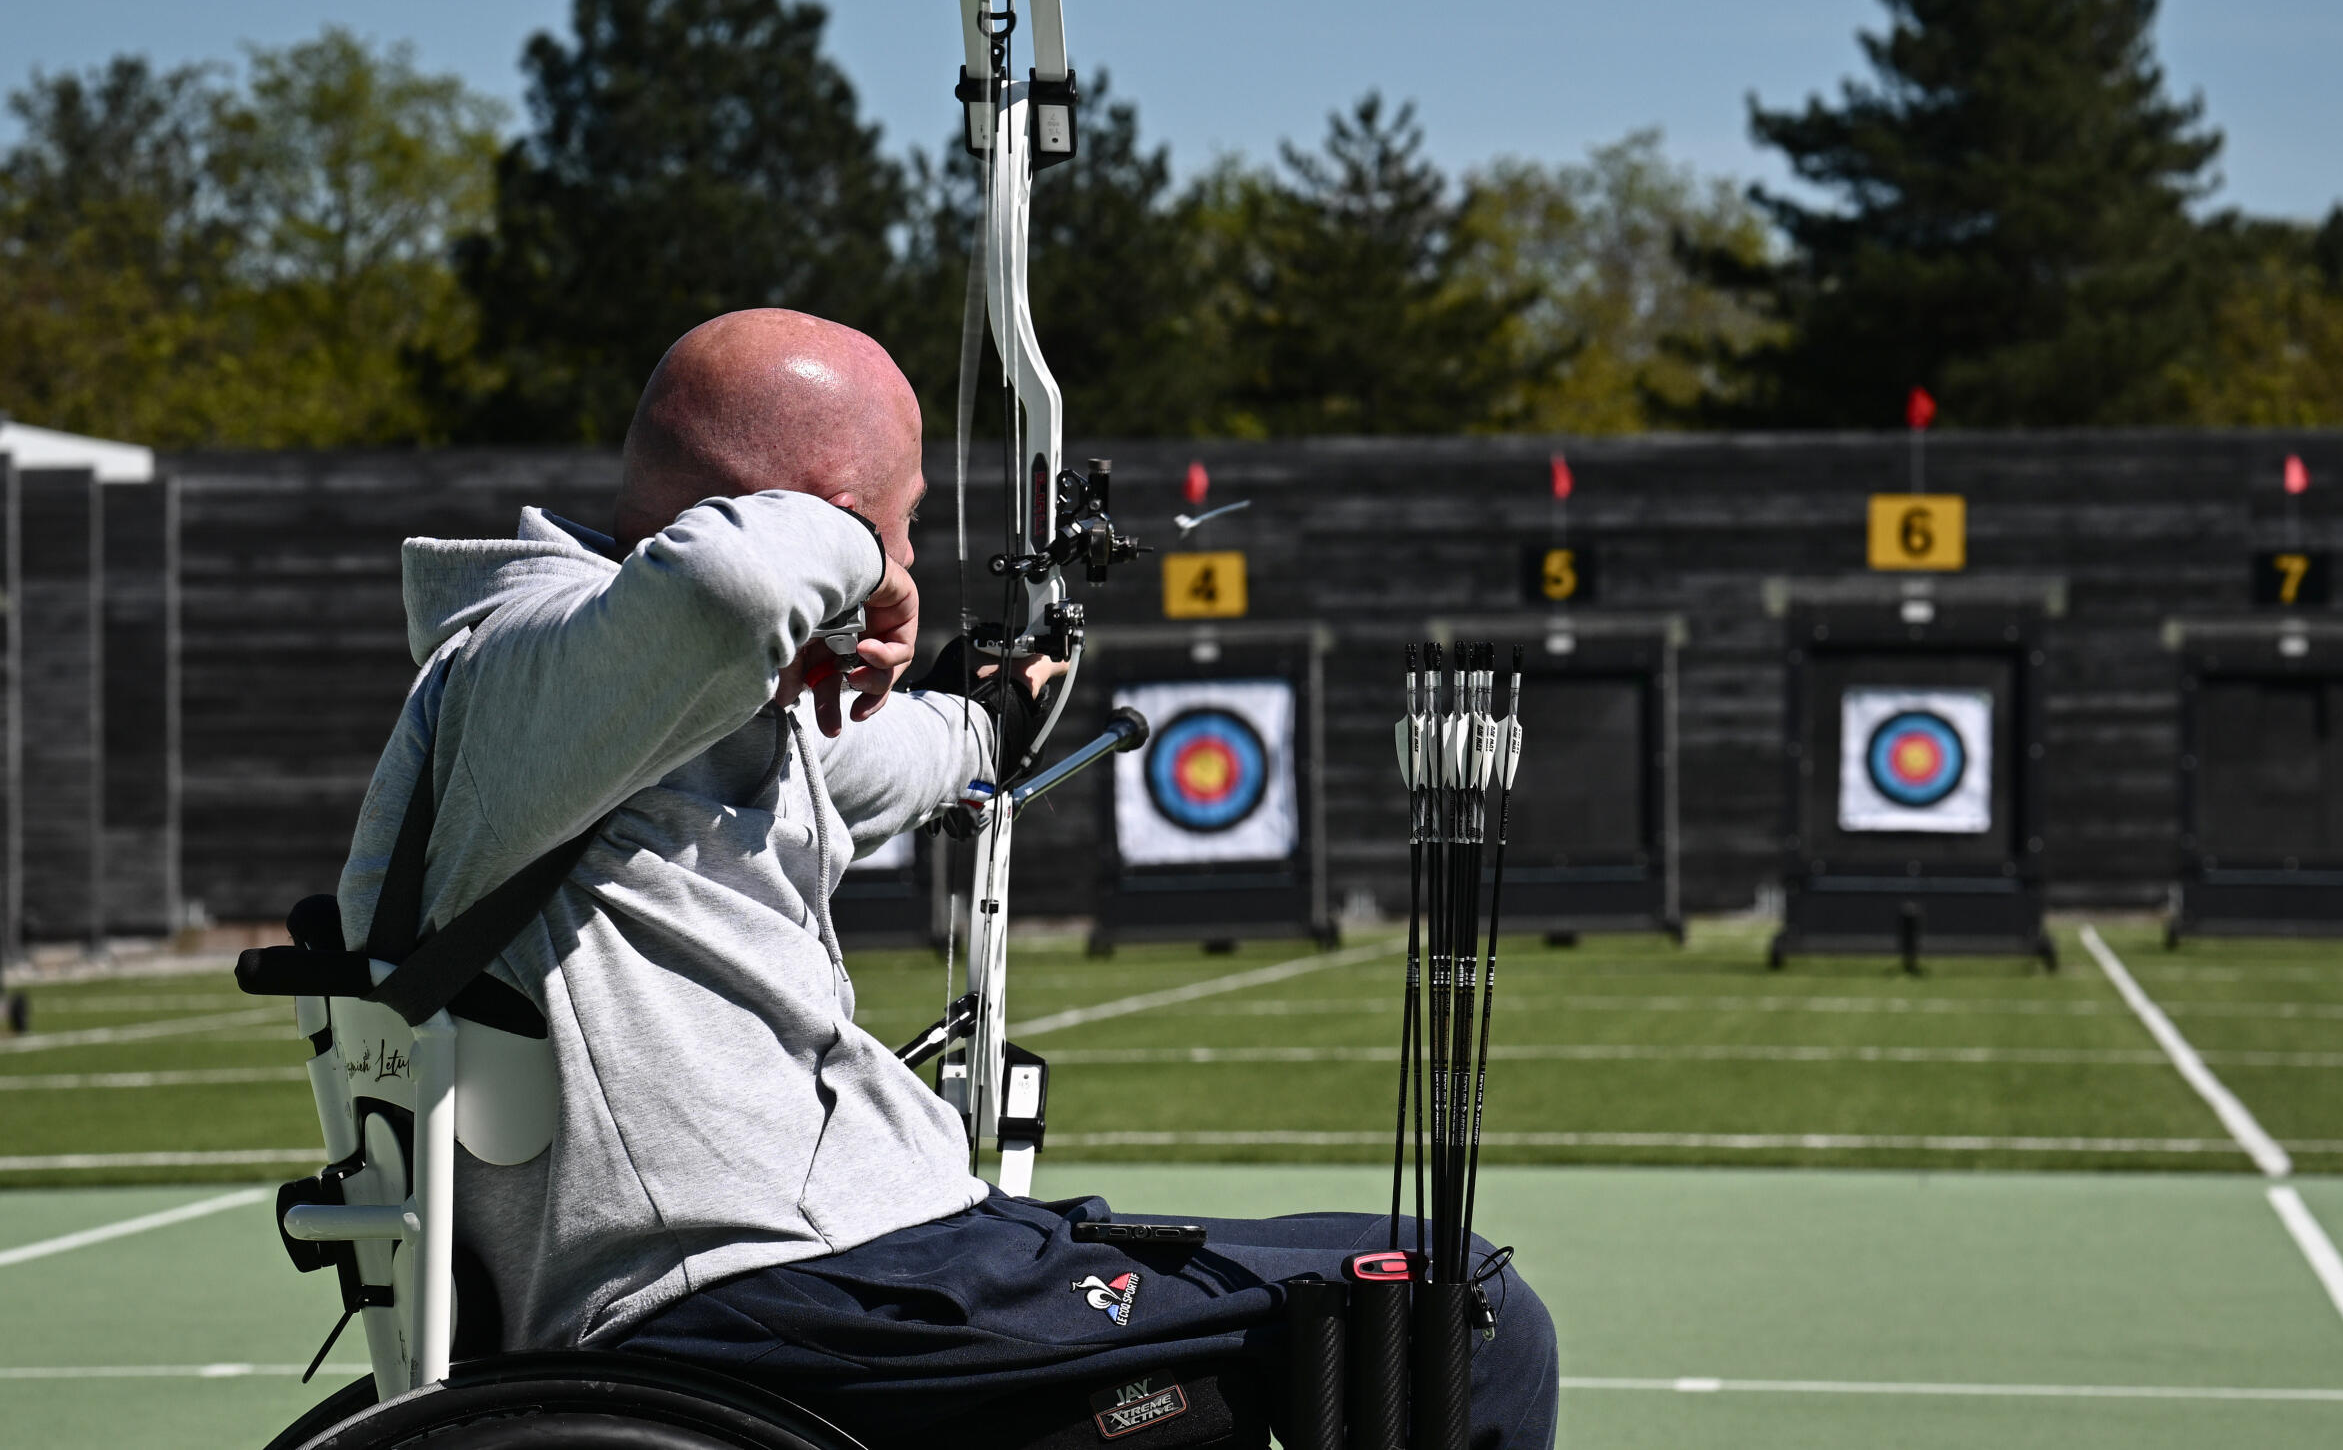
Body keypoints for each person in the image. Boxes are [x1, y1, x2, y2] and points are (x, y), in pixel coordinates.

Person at [337, 307, 1556, 1447]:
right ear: (823, 514)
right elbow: (732, 586)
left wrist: (996, 700)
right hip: (775, 1289)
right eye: (904, 519)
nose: (907, 554)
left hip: (866, 1270)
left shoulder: (673, 712)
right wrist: (865, 551)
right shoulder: (516, 677)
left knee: (1393, 1272)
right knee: (1459, 1309)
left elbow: (913, 753)